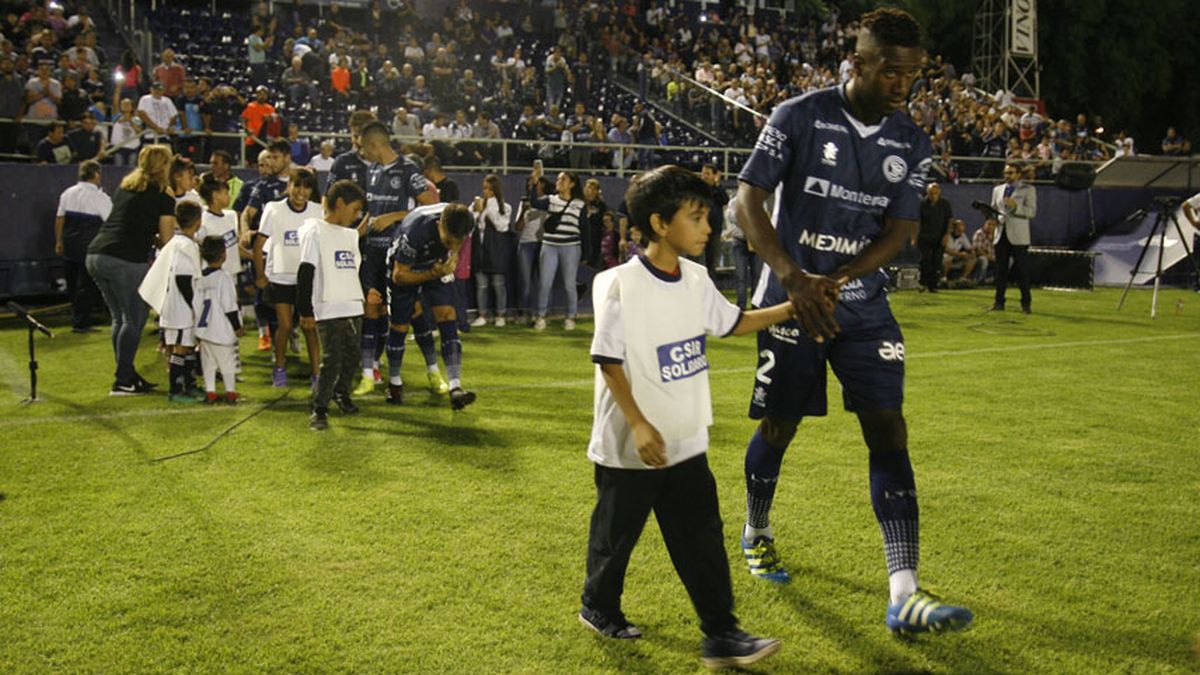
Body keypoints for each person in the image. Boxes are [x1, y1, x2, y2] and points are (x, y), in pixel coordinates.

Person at [734, 8, 974, 634]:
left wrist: (837, 282)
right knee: (781, 426)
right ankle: (756, 529)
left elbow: (898, 232)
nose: (903, 84)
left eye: (912, 74)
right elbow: (748, 200)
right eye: (892, 71)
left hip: (861, 305)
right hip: (790, 301)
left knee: (889, 431)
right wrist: (794, 276)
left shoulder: (911, 142)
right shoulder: (797, 117)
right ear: (859, 62)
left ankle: (904, 592)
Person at [581, 166, 788, 669]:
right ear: (658, 223)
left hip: (686, 441)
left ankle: (722, 633)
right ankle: (598, 606)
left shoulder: (695, 278)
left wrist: (794, 308)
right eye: (696, 218)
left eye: (708, 218)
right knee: (616, 538)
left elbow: (733, 324)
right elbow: (608, 361)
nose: (708, 228)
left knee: (702, 539)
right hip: (633, 448)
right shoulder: (619, 284)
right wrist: (639, 423)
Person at [355, 122, 445, 400]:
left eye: (362, 147)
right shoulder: (371, 170)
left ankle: (434, 372)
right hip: (373, 253)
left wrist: (394, 217)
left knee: (414, 313)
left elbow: (430, 206)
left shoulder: (407, 169)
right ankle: (368, 375)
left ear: (374, 145)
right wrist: (352, 235)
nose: (361, 152)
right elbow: (372, 214)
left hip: (400, 255)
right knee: (372, 309)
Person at [86, 144, 178, 395]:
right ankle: (122, 379)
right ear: (163, 165)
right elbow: (168, 239)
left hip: (96, 254)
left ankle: (126, 374)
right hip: (124, 259)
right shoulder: (163, 194)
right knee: (135, 318)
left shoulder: (126, 187)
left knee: (120, 318)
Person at [387, 202, 477, 410]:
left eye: (458, 243)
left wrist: (452, 255)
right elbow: (399, 276)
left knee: (447, 315)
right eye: (449, 242)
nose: (454, 246)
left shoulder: (461, 219)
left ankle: (455, 387)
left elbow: (455, 243)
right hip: (405, 267)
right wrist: (433, 273)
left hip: (435, 264)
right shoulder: (415, 232)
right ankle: (394, 384)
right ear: (439, 226)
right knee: (400, 326)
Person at [296, 181, 368, 431]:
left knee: (353, 356)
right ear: (339, 204)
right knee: (332, 359)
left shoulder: (350, 235)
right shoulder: (314, 231)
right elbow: (306, 272)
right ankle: (319, 408)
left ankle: (341, 392)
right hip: (328, 307)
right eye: (354, 209)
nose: (356, 215)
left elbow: (354, 270)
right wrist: (305, 309)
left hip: (352, 305)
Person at [255, 167, 324, 387]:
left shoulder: (317, 210)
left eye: (306, 187)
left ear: (311, 190)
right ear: (289, 185)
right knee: (284, 326)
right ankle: (279, 368)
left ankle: (317, 375)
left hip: (307, 280)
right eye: (297, 185)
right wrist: (260, 276)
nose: (300, 192)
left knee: (310, 327)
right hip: (281, 277)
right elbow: (258, 245)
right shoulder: (273, 209)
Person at [139, 201, 204, 401]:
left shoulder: (178, 242)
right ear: (198, 222)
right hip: (180, 308)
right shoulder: (184, 246)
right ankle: (176, 390)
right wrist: (194, 306)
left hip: (178, 307)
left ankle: (190, 385)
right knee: (180, 348)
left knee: (188, 345)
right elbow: (183, 279)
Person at [55, 160, 111, 333]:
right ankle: (81, 322)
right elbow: (111, 222)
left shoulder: (67, 193)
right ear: (95, 175)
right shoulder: (100, 197)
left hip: (70, 245)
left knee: (73, 284)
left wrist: (58, 241)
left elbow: (60, 219)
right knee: (86, 284)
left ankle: (79, 317)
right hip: (89, 246)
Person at [527, 167, 585, 330]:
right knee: (545, 283)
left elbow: (584, 229)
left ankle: (571, 317)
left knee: (569, 284)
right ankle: (541, 317)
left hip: (571, 246)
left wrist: (587, 253)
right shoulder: (551, 199)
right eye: (559, 179)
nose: (559, 182)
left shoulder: (579, 204)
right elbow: (534, 202)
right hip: (550, 245)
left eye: (563, 179)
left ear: (572, 184)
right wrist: (534, 183)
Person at [194, 235, 244, 404]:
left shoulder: (199, 278)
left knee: (208, 365)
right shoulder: (224, 278)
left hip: (204, 331)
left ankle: (211, 392)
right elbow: (229, 306)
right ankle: (230, 393)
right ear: (223, 255)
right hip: (222, 331)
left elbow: (195, 305)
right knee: (227, 365)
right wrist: (237, 327)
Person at [989, 162, 1037, 313]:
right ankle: (999, 302)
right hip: (1001, 233)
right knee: (1000, 271)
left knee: (1022, 271)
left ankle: (1026, 304)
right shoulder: (997, 190)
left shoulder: (1028, 189)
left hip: (1018, 236)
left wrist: (1016, 206)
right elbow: (994, 209)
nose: (1007, 176)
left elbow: (1031, 212)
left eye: (1011, 173)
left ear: (1018, 174)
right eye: (1006, 173)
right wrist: (991, 217)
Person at [470, 174, 514, 327]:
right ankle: (482, 315)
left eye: (489, 189)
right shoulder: (476, 204)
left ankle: (500, 315)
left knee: (498, 283)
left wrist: (488, 210)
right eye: (484, 188)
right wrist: (477, 211)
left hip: (496, 248)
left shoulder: (505, 206)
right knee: (481, 284)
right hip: (480, 248)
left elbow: (502, 227)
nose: (486, 192)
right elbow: (469, 225)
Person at [721, 192, 761, 309]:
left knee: (756, 275)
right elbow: (731, 217)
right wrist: (747, 215)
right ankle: (741, 306)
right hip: (739, 241)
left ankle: (755, 306)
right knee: (741, 276)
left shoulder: (758, 200)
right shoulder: (734, 201)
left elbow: (764, 217)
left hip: (755, 241)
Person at [916, 182, 952, 292]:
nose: (933, 196)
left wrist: (947, 235)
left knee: (937, 261)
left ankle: (933, 285)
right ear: (927, 193)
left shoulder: (945, 204)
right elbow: (917, 221)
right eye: (931, 193)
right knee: (924, 260)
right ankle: (923, 283)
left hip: (939, 236)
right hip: (924, 236)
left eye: (935, 193)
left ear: (939, 192)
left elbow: (950, 220)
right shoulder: (922, 204)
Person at [699, 164, 729, 276]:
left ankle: (710, 288)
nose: (704, 176)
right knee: (697, 261)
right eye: (703, 173)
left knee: (712, 263)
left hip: (714, 230)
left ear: (714, 175)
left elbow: (725, 200)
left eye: (707, 173)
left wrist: (716, 185)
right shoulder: (699, 189)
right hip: (698, 230)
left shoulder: (719, 189)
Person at [941, 218, 976, 285]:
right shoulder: (946, 235)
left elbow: (969, 248)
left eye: (961, 230)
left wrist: (972, 253)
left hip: (956, 258)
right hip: (944, 257)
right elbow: (944, 250)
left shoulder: (962, 235)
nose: (960, 232)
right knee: (947, 258)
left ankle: (962, 279)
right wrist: (959, 254)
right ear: (953, 228)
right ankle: (943, 279)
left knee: (972, 259)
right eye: (958, 230)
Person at [972, 218, 997, 284]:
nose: (990, 226)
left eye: (993, 225)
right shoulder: (979, 233)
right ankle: (980, 281)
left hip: (994, 258)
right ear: (984, 225)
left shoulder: (997, 235)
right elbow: (978, 250)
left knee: (1009, 260)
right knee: (984, 260)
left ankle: (997, 280)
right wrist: (990, 258)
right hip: (980, 257)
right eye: (988, 224)